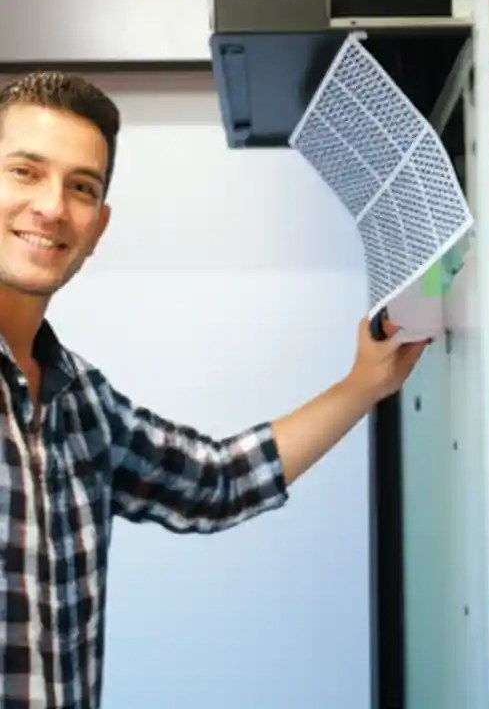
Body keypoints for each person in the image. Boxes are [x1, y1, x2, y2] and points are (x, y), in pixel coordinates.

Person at [0, 71, 428, 706]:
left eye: (81, 187)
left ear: (98, 226)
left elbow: (217, 481)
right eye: (25, 172)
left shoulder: (82, 402)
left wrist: (364, 384)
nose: (53, 207)